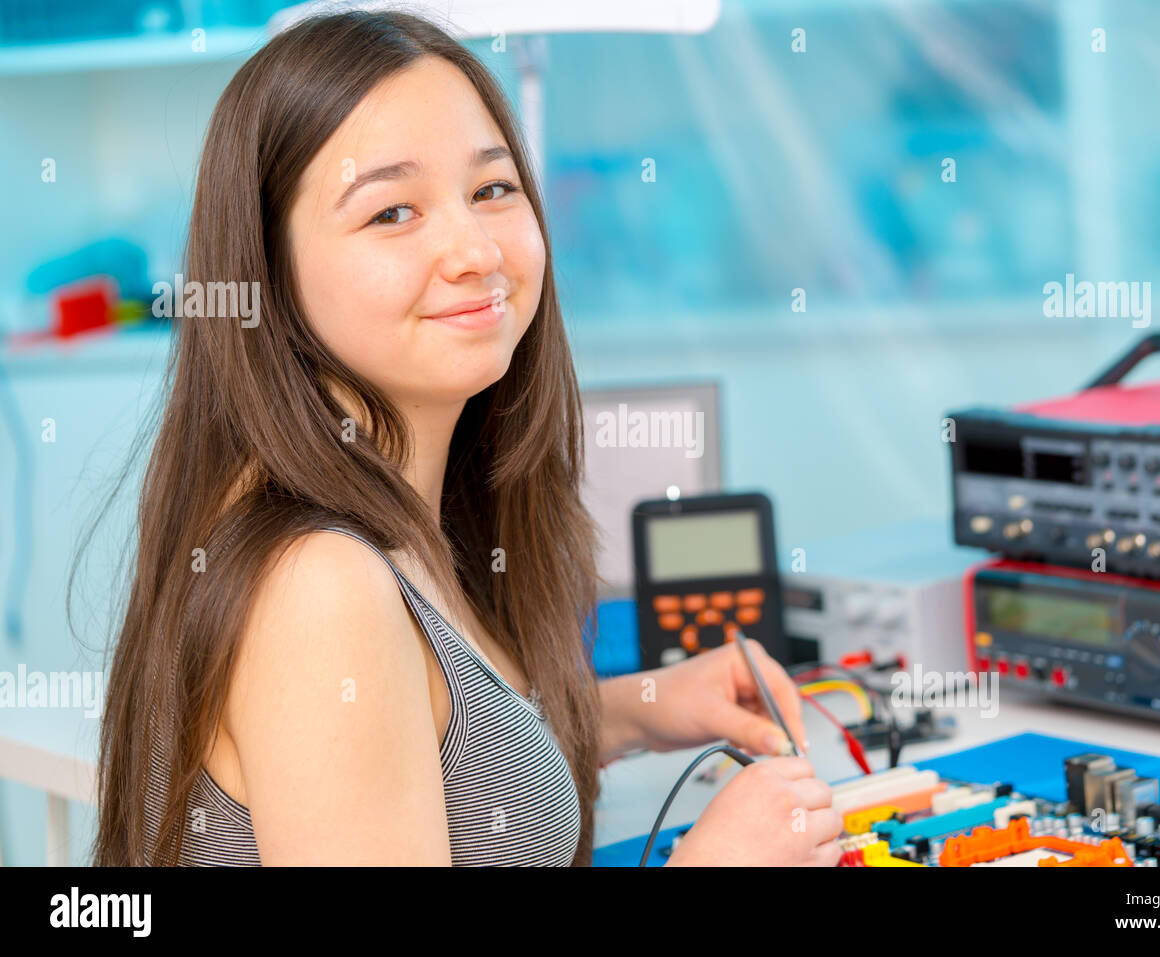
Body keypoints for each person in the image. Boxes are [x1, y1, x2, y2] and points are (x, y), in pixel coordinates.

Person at [93, 11, 842, 867]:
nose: (475, 250)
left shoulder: (408, 511)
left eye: (492, 189)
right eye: (392, 211)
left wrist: (638, 706)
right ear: (271, 274)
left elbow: (434, 754)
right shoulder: (319, 587)